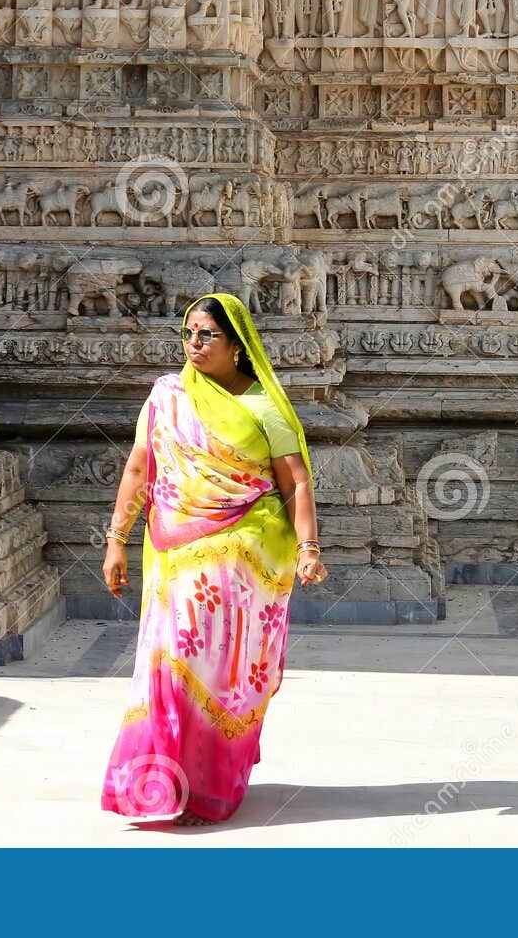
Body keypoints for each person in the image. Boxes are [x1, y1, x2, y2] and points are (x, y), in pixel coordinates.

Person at [100, 293, 325, 826]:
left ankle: (208, 783)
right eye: (188, 334)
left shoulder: (264, 406)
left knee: (219, 670)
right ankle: (157, 785)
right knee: (170, 663)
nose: (194, 344)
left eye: (207, 335)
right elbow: (139, 470)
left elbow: (294, 482)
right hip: (174, 555)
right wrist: (115, 538)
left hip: (245, 561)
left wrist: (310, 548)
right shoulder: (166, 397)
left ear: (238, 346)